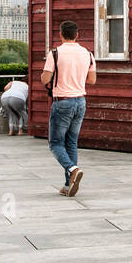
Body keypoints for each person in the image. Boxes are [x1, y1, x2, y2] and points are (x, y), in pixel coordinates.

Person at [40, 20, 96, 196]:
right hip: (80, 101)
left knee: (55, 143)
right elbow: (92, 80)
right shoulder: (87, 54)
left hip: (62, 101)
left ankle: (72, 170)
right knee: (71, 142)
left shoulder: (55, 53)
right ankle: (68, 185)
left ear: (60, 34)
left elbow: (44, 79)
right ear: (77, 35)